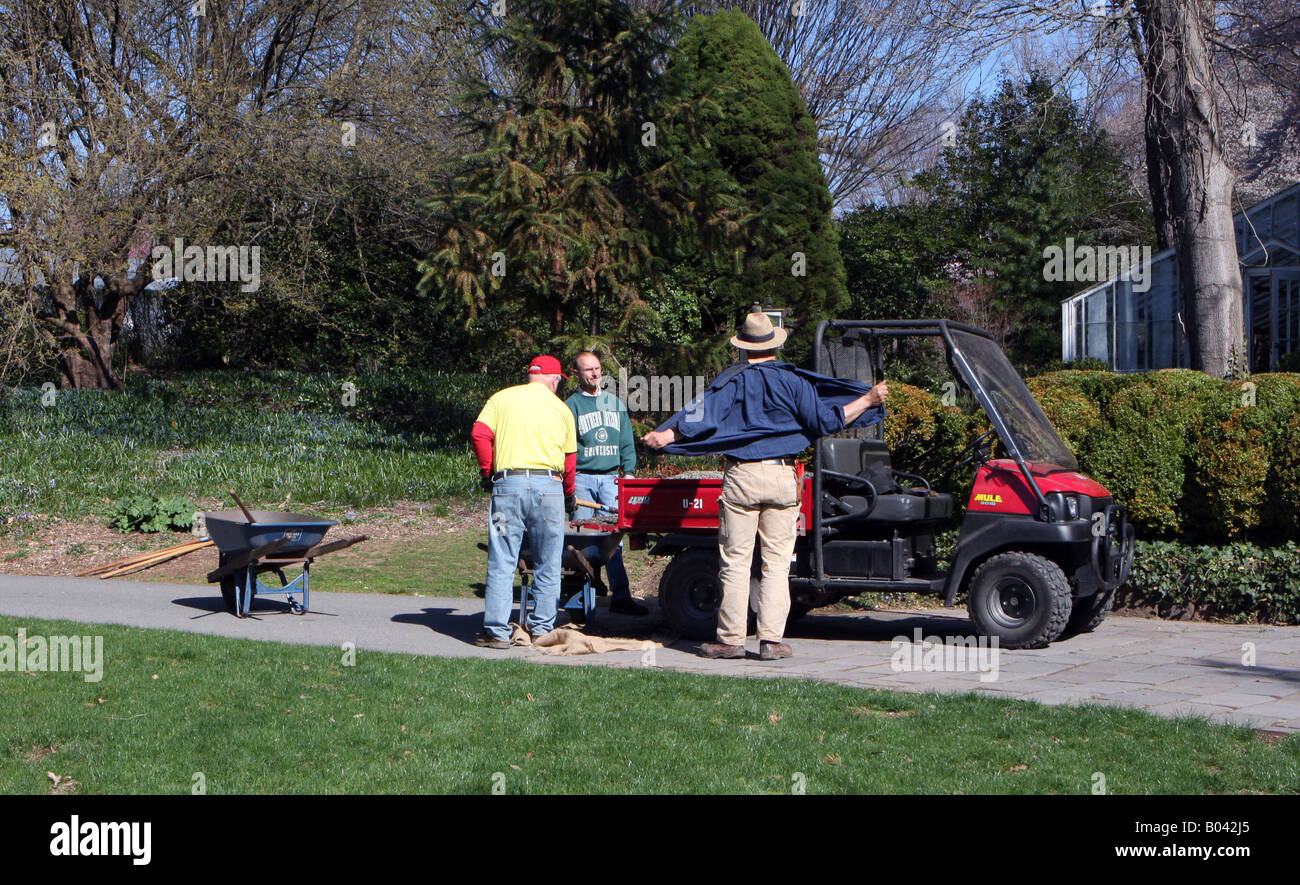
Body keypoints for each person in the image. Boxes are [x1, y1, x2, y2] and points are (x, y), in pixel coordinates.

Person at [644, 313, 888, 661]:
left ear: (743, 349)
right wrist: (867, 400)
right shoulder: (795, 382)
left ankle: (730, 640)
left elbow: (700, 419)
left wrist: (665, 435)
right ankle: (771, 641)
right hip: (783, 477)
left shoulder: (732, 381)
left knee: (736, 562)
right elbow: (825, 421)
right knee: (776, 563)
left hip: (743, 476)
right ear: (776, 344)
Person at [470, 355, 578, 648]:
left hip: (508, 486)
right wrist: (569, 495)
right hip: (549, 489)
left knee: (503, 559)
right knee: (548, 561)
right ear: (553, 379)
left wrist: (487, 471)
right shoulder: (561, 409)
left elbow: (479, 434)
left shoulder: (501, 399)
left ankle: (496, 632)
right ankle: (542, 630)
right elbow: (569, 461)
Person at [565, 350, 647, 616]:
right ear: (577, 373)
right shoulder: (572, 406)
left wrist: (630, 473)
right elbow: (566, 446)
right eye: (588, 369)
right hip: (582, 479)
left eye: (598, 368)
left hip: (612, 479)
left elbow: (626, 441)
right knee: (581, 541)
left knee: (614, 540)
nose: (595, 373)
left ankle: (620, 597)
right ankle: (579, 599)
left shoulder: (614, 403)